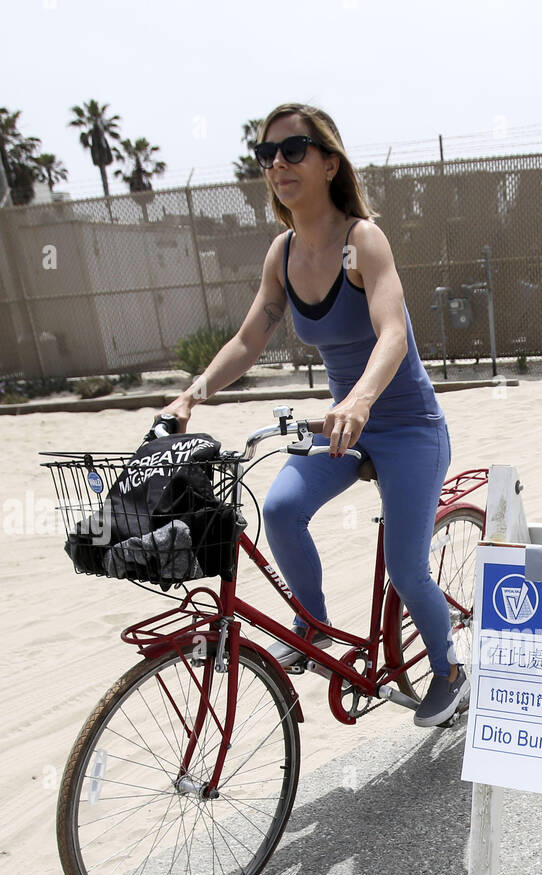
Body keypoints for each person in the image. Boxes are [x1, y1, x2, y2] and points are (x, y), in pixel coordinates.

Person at [163, 103, 469, 728]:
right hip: (341, 429)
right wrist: (193, 394)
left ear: (329, 162)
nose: (278, 163)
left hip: (406, 426)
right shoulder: (282, 254)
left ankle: (448, 670)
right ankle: (315, 623)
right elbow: (249, 340)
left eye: (294, 149)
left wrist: (357, 399)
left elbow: (392, 336)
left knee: (409, 568)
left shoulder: (363, 241)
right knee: (278, 508)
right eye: (267, 154)